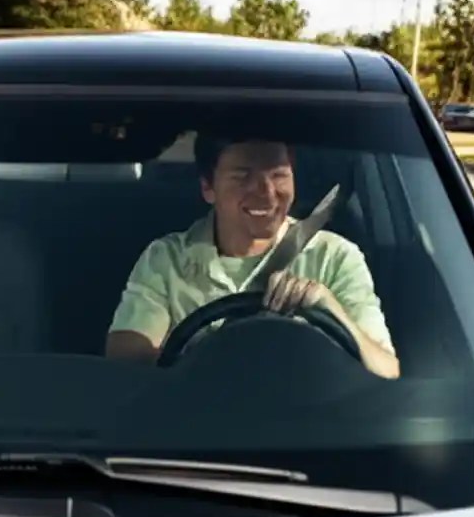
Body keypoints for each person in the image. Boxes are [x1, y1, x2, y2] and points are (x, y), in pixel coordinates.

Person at [105, 134, 399, 380]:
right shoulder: (166, 259)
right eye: (243, 176)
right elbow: (125, 367)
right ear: (208, 187)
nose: (267, 193)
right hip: (195, 422)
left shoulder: (334, 258)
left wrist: (329, 307)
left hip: (308, 422)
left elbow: (386, 371)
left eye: (279, 175)